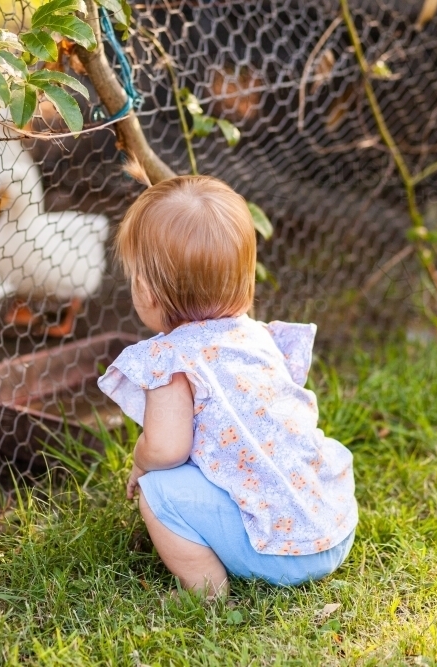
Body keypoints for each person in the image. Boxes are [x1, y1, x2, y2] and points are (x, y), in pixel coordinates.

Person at [97, 175, 357, 597]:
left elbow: (167, 449)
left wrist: (141, 460)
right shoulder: (258, 336)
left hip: (280, 553)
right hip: (333, 528)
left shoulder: (171, 359)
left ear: (145, 289)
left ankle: (207, 592)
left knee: (159, 490)